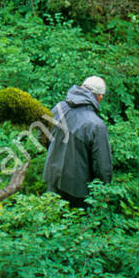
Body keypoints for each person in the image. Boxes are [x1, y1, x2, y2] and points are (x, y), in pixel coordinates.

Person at [43, 75, 112, 207]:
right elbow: (102, 164)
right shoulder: (96, 125)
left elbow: (43, 135)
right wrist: (105, 190)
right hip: (78, 189)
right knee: (77, 225)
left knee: (52, 220)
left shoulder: (59, 108)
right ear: (100, 96)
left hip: (53, 178)